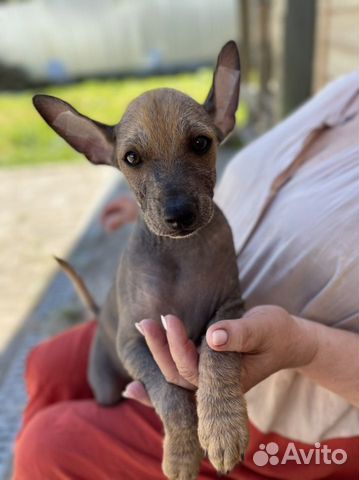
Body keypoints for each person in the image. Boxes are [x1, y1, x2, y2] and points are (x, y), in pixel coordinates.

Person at [13, 72, 358, 480]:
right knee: (43, 365)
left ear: (223, 118)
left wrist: (306, 346)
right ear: (97, 149)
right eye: (132, 158)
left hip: (287, 412)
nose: (176, 211)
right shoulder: (347, 86)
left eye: (198, 144)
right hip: (174, 293)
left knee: (45, 446)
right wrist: (144, 201)